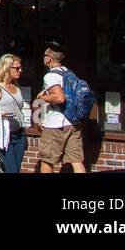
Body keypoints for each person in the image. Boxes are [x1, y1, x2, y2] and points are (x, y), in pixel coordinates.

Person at [38, 45, 85, 173]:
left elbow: (59, 98)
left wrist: (44, 97)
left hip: (55, 125)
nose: (44, 58)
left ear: (49, 59)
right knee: (77, 162)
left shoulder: (50, 76)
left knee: (47, 161)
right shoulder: (69, 73)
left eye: (45, 56)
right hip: (73, 122)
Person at [0, 53, 27, 173]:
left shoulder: (16, 88)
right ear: (7, 68)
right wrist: (0, 114)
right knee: (12, 170)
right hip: (5, 134)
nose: (20, 70)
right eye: (17, 68)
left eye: (20, 67)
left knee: (16, 169)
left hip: (19, 133)